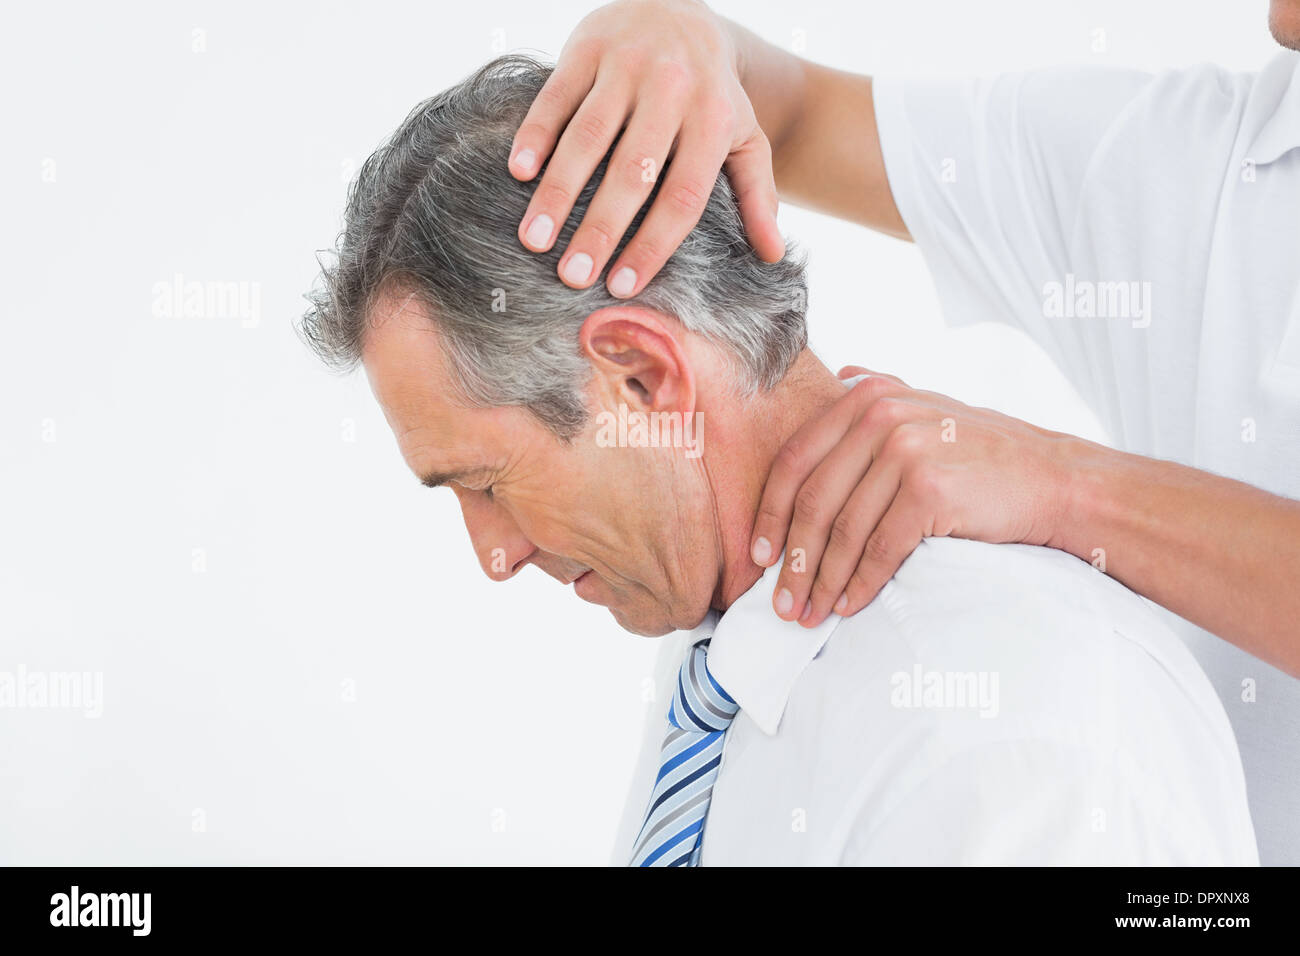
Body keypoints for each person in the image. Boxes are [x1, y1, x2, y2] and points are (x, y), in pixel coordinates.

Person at [300, 55, 1257, 865]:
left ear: (637, 376)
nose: (493, 555)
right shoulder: (730, 667)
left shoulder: (1012, 728)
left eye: (485, 482)